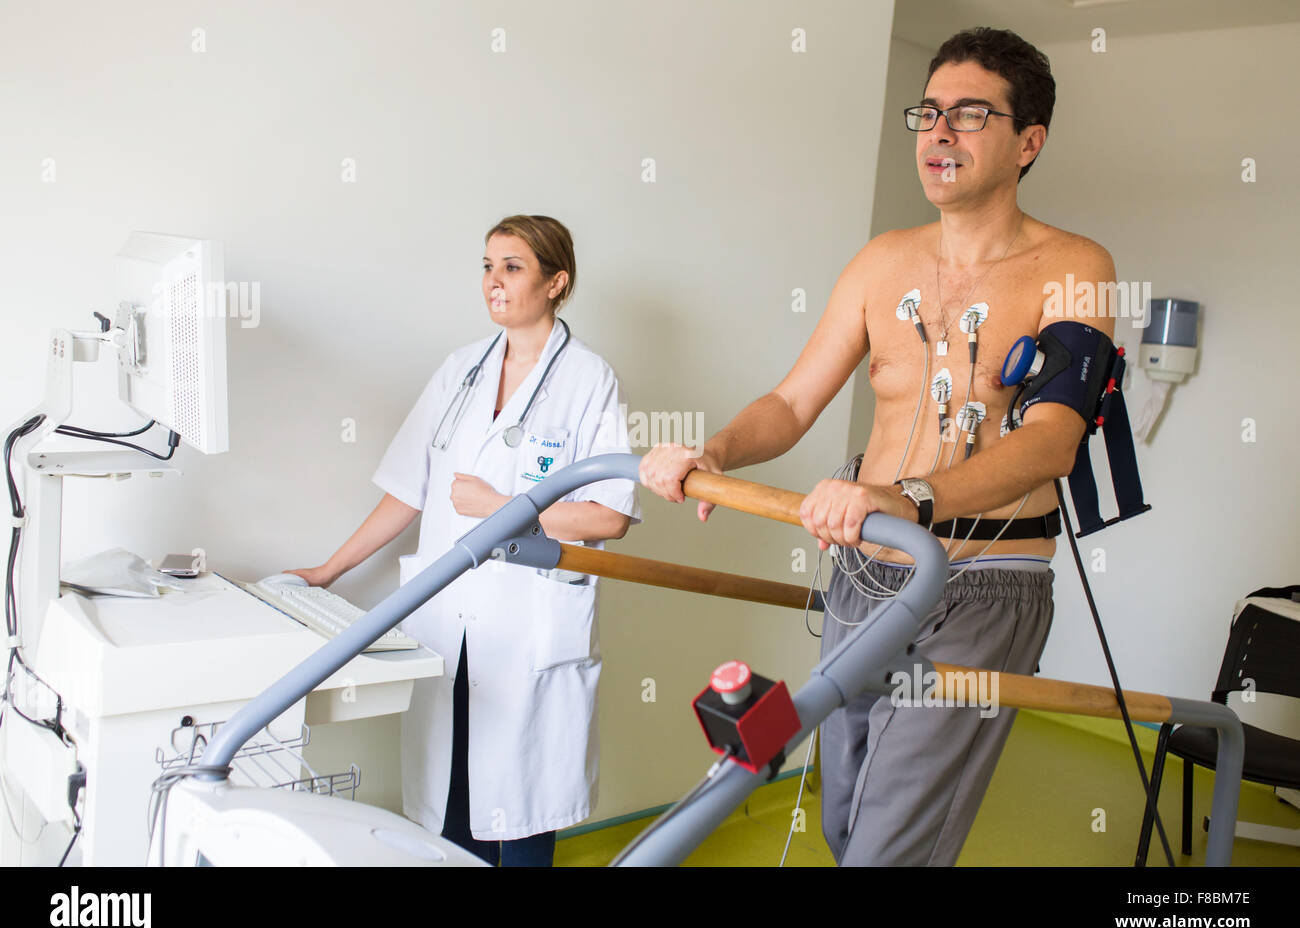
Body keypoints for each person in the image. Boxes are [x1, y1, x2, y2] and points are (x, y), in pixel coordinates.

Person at [640, 28, 1117, 866]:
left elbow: (1050, 442)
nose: (939, 133)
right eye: (929, 113)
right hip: (866, 568)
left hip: (983, 579)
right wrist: (714, 450)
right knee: (845, 815)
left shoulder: (1075, 265)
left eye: (971, 115)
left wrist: (910, 498)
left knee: (892, 839)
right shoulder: (880, 261)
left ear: (1029, 140)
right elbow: (791, 403)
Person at [288, 214, 640, 866]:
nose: (493, 282)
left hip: (527, 631)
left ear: (556, 282)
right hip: (448, 623)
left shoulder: (588, 379)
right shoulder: (461, 371)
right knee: (450, 807)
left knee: (523, 808)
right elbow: (408, 488)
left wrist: (500, 509)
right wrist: (328, 570)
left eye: (512, 267)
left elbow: (608, 517)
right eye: (487, 266)